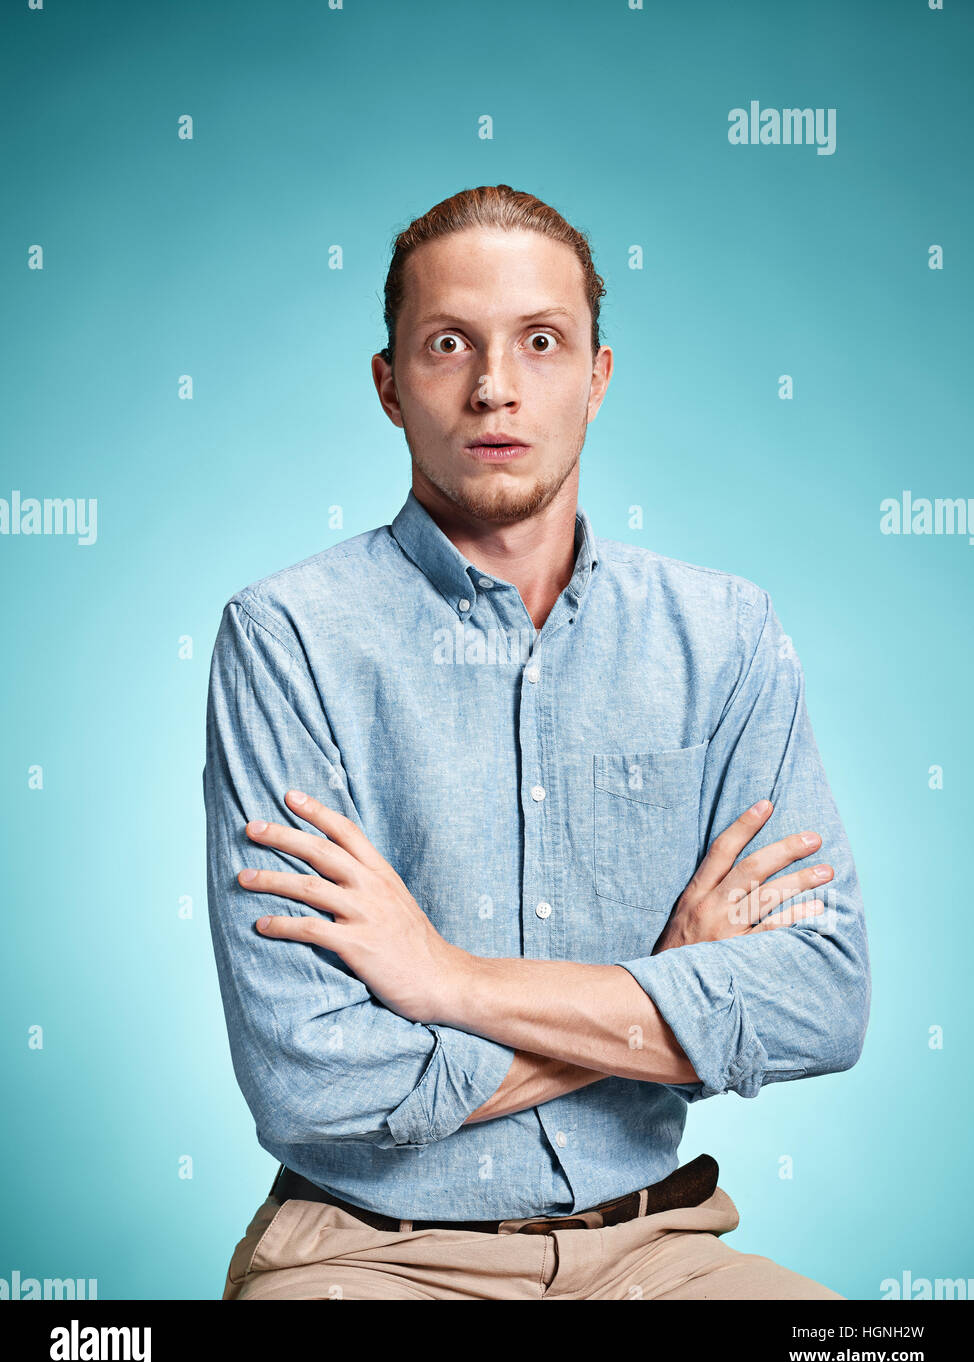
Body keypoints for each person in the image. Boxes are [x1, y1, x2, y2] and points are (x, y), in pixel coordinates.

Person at [203, 184, 870, 1300]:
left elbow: (819, 999)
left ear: (597, 378)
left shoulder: (726, 635)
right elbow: (306, 1079)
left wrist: (445, 981)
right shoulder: (288, 639)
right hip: (372, 1256)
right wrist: (664, 992)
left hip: (657, 1252)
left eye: (541, 341)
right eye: (447, 343)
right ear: (388, 384)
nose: (493, 386)